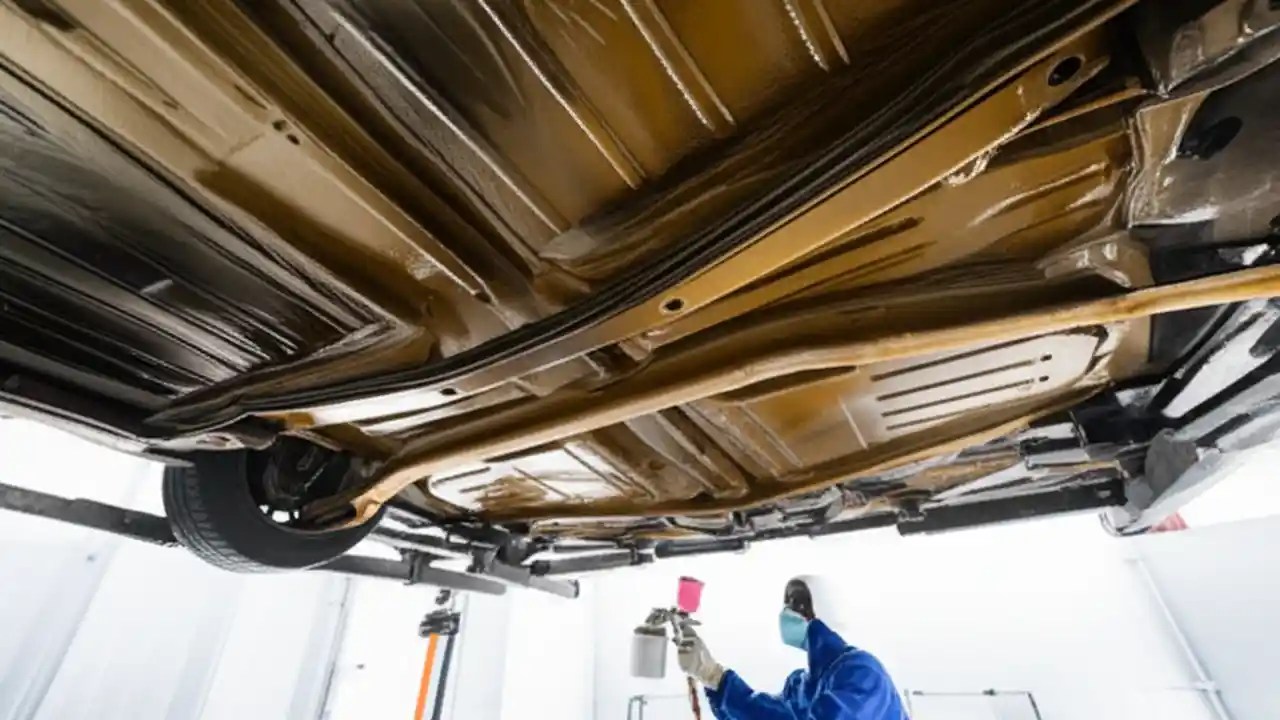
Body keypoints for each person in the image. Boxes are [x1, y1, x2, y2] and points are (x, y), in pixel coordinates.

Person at [677, 575, 907, 720]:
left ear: (823, 611)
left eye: (797, 603)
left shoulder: (862, 672)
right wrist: (711, 676)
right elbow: (758, 715)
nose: (787, 611)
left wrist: (719, 680)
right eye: (786, 603)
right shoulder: (800, 686)